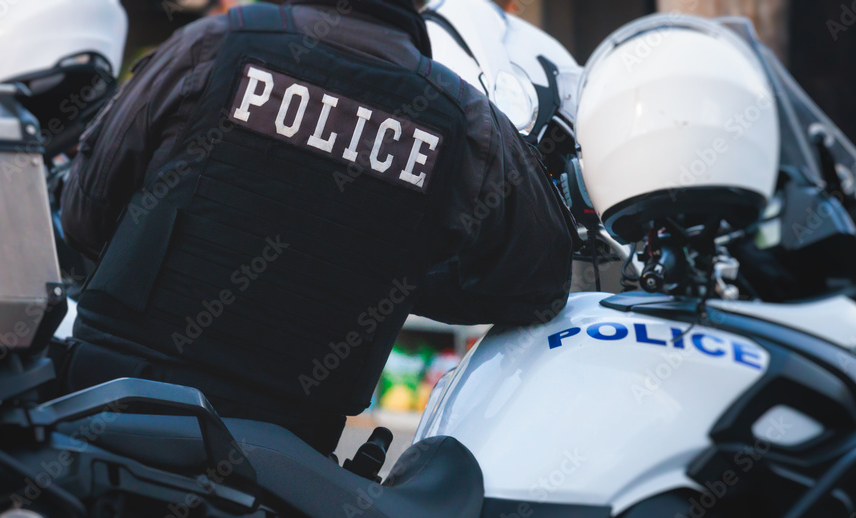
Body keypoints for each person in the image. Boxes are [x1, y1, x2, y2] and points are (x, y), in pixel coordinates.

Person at [59, 0, 575, 456]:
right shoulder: (462, 118)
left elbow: (84, 213)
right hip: (280, 478)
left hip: (102, 421)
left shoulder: (217, 43)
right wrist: (396, 275)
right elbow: (541, 281)